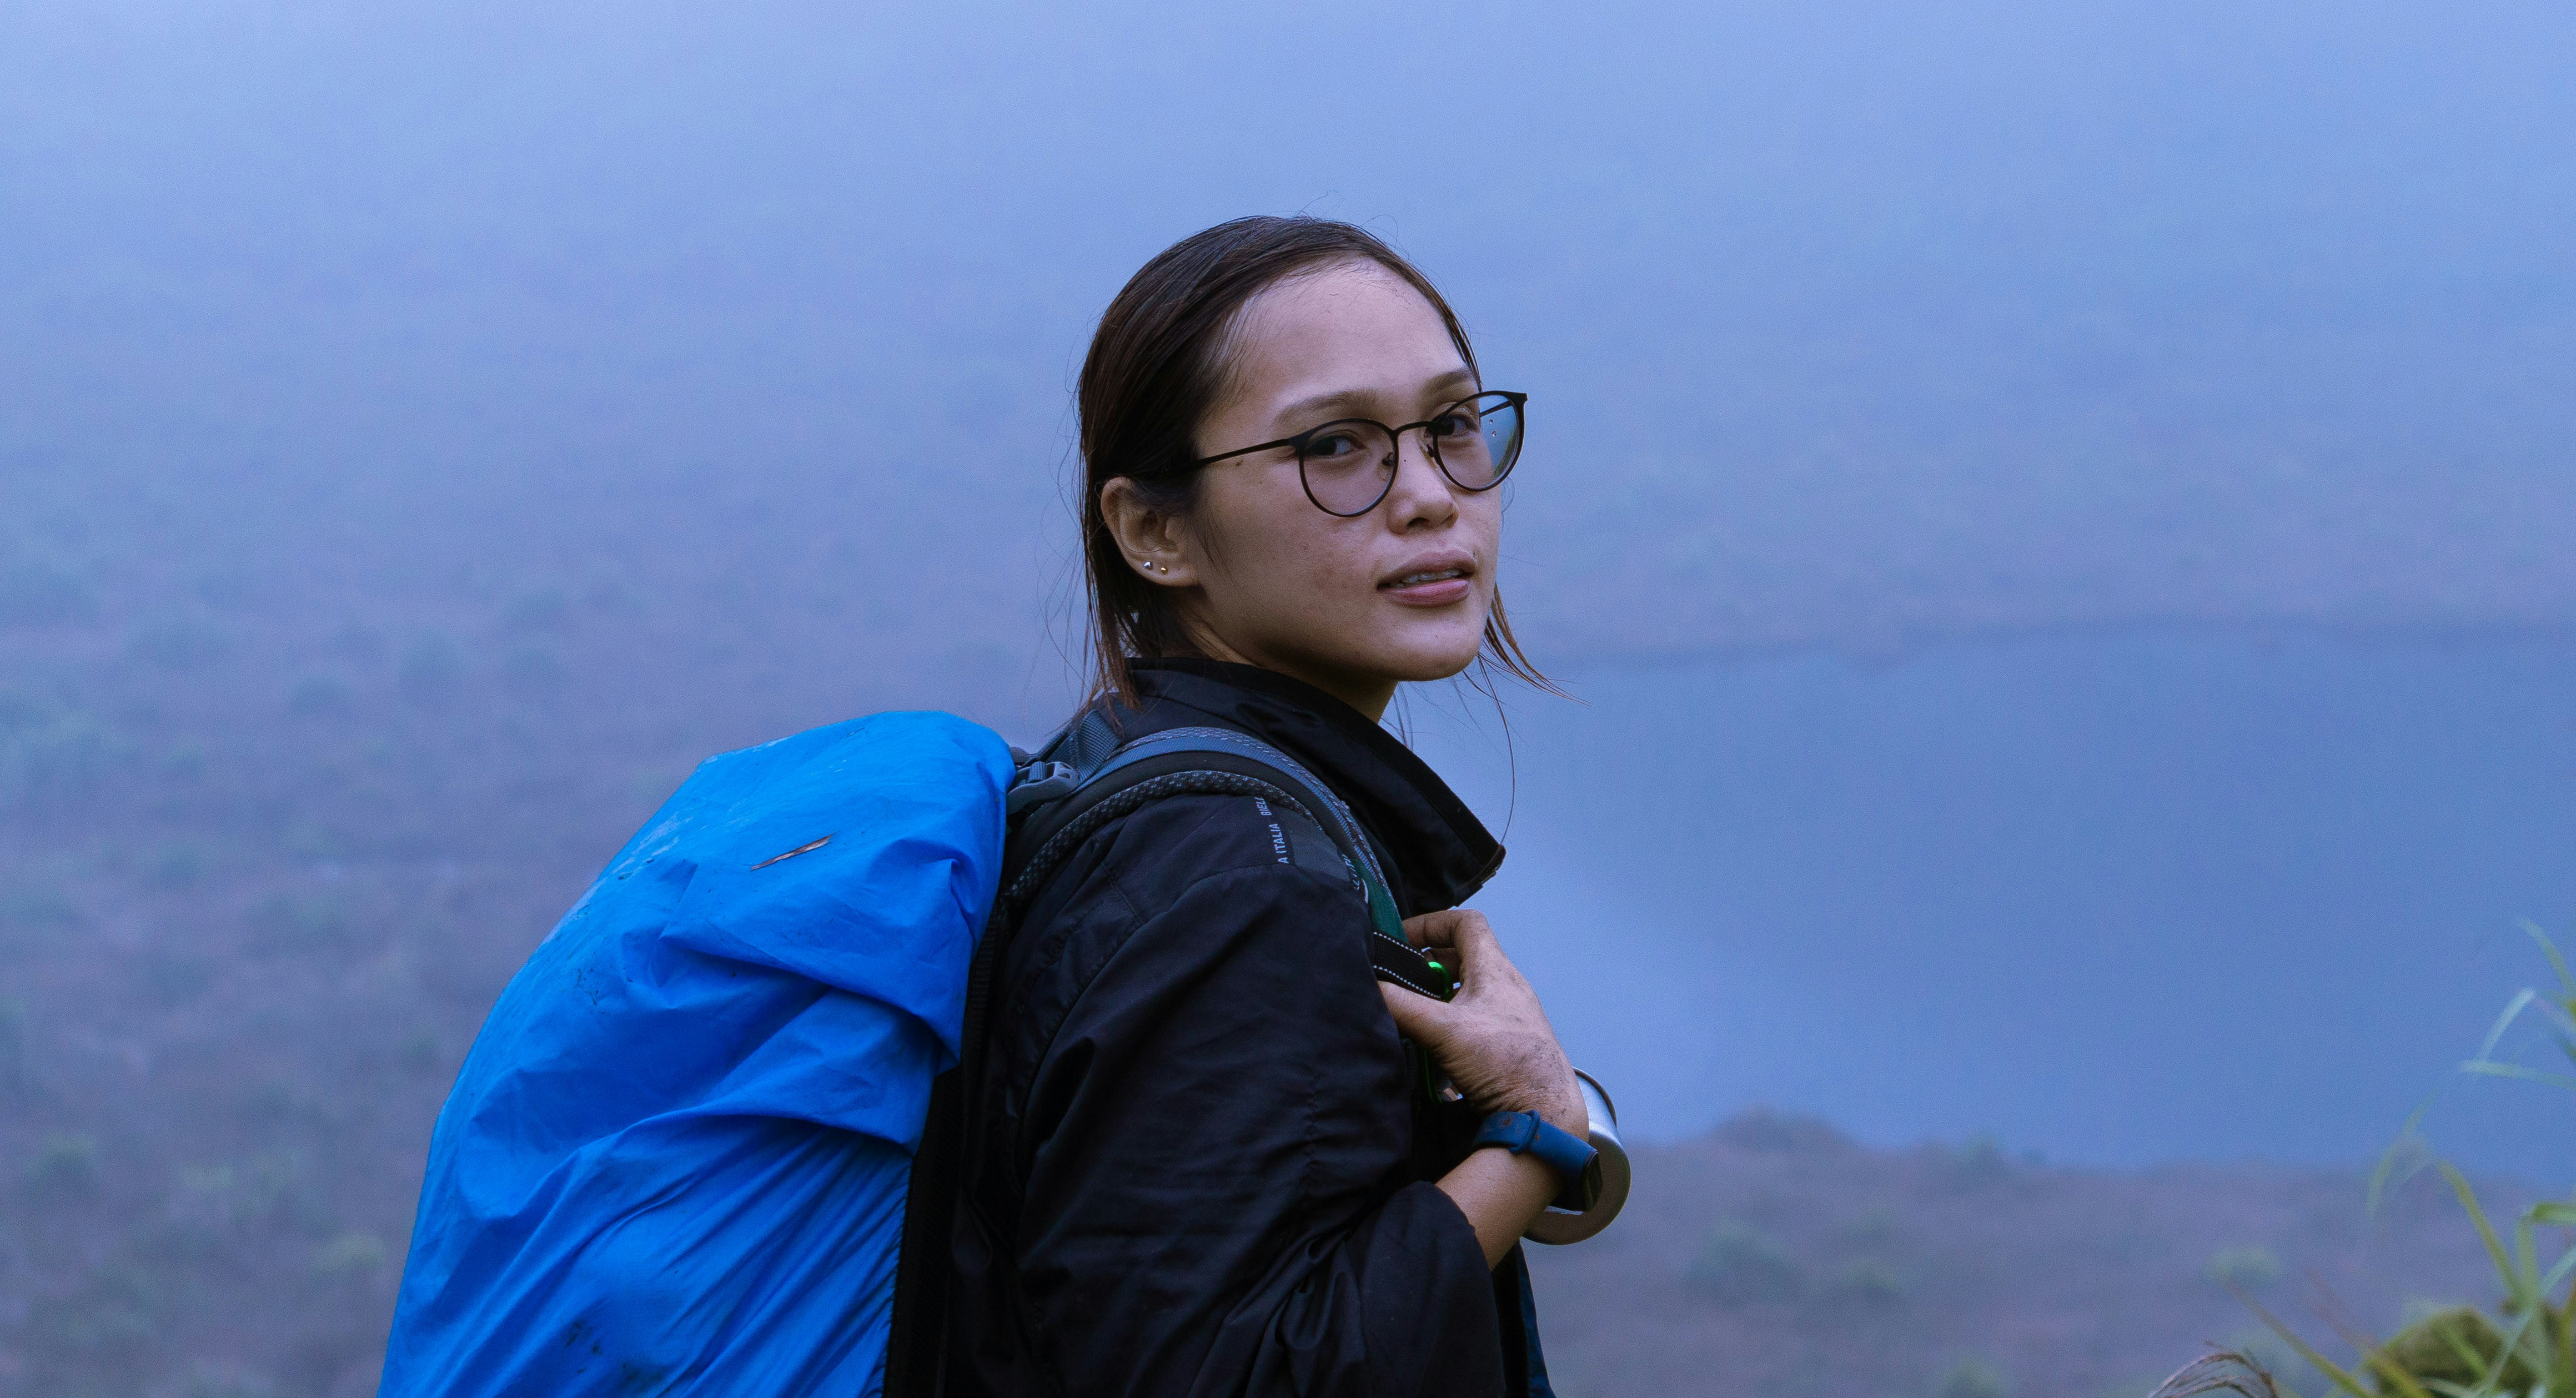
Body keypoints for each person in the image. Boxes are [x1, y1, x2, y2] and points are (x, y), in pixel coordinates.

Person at [935, 216, 1588, 1396]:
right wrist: (1534, 1133)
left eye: (1449, 425)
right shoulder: (1242, 874)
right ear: (1155, 531)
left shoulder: (1130, 772)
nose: (1433, 496)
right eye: (1336, 446)